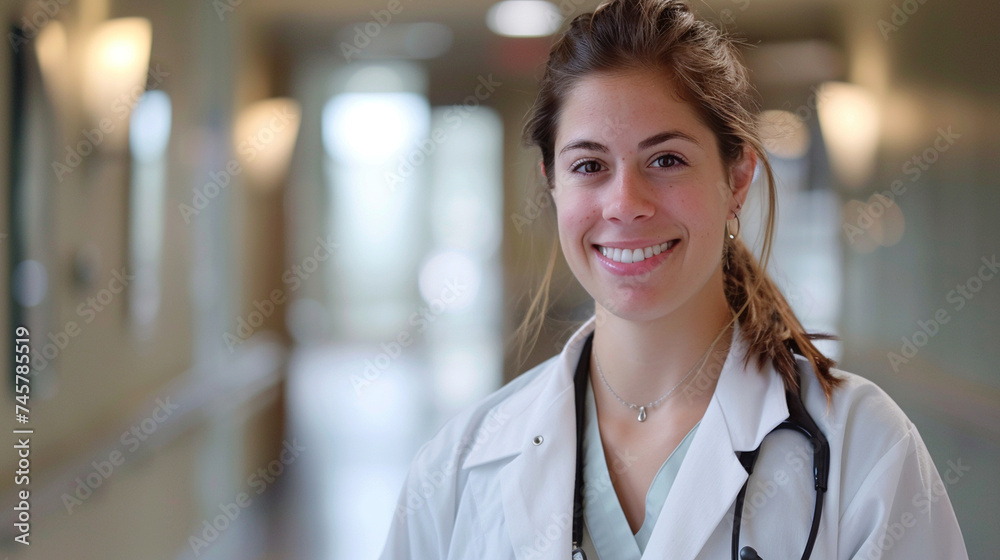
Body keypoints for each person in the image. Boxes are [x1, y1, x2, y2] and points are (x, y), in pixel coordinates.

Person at [378, 0, 969, 558]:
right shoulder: (459, 466)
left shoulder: (865, 449)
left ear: (737, 179)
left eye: (666, 160)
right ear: (552, 184)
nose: (625, 203)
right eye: (588, 166)